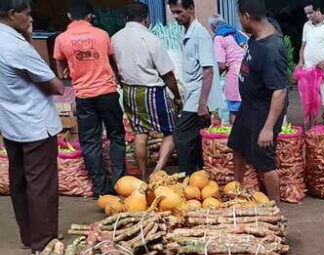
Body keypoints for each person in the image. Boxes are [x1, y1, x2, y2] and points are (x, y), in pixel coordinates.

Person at [0, 0, 64, 252]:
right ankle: (44, 240)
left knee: (20, 182)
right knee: (41, 184)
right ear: (13, 14)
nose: (29, 19)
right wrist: (28, 37)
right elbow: (56, 86)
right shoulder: (16, 46)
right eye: (26, 15)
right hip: (34, 124)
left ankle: (28, 235)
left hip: (10, 122)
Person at [53, 0, 126, 197]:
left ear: (69, 16)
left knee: (90, 142)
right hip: (108, 92)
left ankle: (100, 189)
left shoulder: (62, 39)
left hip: (84, 96)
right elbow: (113, 62)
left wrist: (71, 71)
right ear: (89, 16)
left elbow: (61, 72)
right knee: (116, 136)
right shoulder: (102, 35)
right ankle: (120, 183)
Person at [112, 2, 182, 180]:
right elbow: (167, 74)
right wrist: (177, 97)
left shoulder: (115, 38)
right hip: (151, 91)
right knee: (171, 131)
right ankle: (158, 171)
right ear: (146, 18)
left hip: (129, 92)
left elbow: (114, 66)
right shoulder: (150, 38)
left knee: (140, 133)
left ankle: (143, 176)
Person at [231, 0, 288, 202]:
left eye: (239, 17)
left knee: (265, 163)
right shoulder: (259, 31)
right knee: (237, 147)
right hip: (248, 106)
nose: (239, 21)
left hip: (264, 112)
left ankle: (275, 209)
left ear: (246, 16)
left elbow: (280, 91)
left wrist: (268, 128)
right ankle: (237, 192)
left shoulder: (271, 50)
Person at [168, 0, 223, 175]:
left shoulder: (200, 35)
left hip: (198, 97)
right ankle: (201, 175)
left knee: (181, 136)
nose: (176, 16)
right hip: (193, 95)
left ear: (191, 9)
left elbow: (208, 71)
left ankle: (187, 177)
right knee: (197, 138)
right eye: (173, 12)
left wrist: (201, 104)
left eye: (178, 12)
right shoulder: (189, 33)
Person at [208, 14, 246, 124]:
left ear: (213, 28)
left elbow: (221, 64)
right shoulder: (238, 33)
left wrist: (214, 80)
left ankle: (236, 137)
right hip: (249, 73)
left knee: (234, 110)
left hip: (235, 75)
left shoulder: (219, 37)